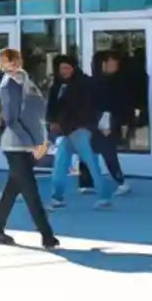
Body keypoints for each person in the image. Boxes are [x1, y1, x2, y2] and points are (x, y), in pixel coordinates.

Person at [0, 48, 59, 250]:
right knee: (30, 190)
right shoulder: (8, 86)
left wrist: (41, 140)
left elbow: (35, 112)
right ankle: (47, 234)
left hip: (30, 143)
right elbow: (11, 119)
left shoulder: (24, 79)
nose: (13, 64)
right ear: (1, 66)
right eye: (7, 62)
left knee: (13, 187)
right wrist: (33, 142)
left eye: (15, 60)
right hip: (16, 144)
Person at [46, 55, 114, 209]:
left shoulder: (84, 84)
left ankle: (104, 196)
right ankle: (57, 196)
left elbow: (92, 105)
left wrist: (87, 124)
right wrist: (52, 121)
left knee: (90, 162)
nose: (64, 71)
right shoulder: (57, 86)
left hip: (80, 128)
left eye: (67, 68)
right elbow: (52, 106)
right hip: (66, 130)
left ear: (74, 68)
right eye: (62, 68)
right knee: (61, 163)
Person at [78, 52, 133, 196]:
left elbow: (120, 105)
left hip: (106, 122)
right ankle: (87, 182)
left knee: (106, 152)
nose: (115, 65)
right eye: (111, 62)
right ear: (103, 64)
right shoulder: (95, 83)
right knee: (88, 151)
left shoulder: (117, 81)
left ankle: (120, 181)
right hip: (95, 122)